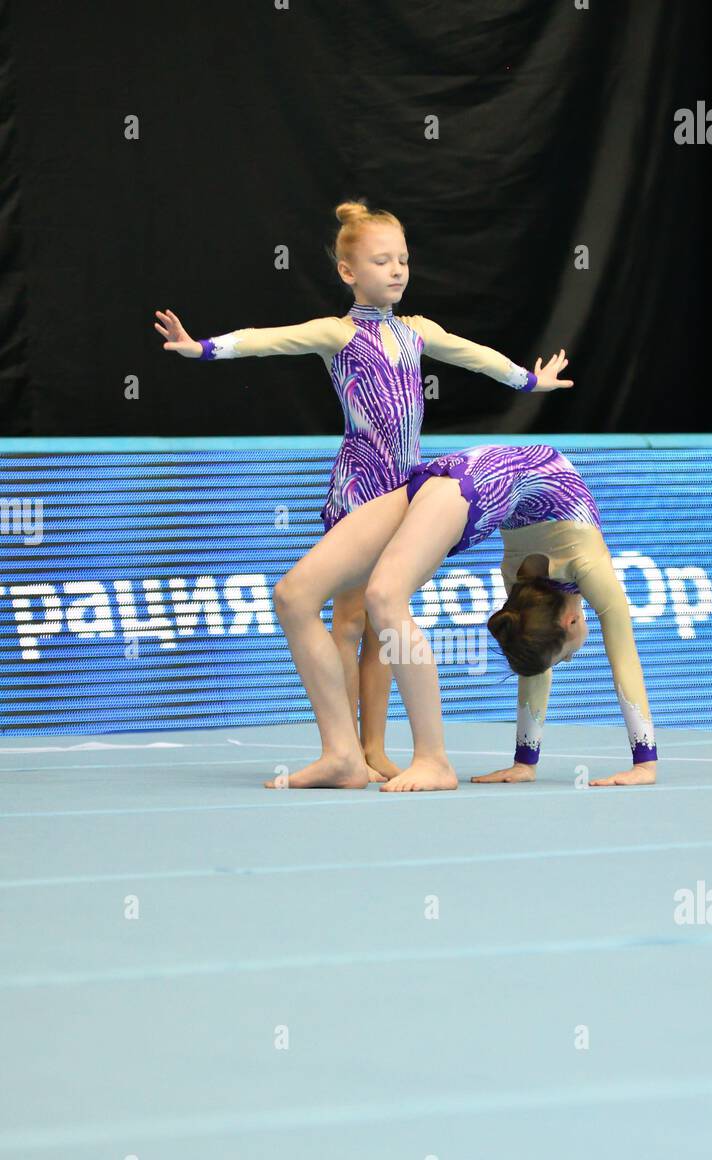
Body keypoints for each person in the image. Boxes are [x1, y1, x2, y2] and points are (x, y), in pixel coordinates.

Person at [154, 199, 572, 780]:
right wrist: (202, 347)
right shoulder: (337, 332)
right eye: (382, 260)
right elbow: (265, 338)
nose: (397, 270)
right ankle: (344, 745)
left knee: (383, 623)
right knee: (349, 621)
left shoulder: (418, 332)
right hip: (362, 485)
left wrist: (528, 379)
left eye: (403, 259)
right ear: (350, 272)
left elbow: (475, 357)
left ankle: (373, 749)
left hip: (410, 487)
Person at [264, 444, 657, 791]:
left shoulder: (521, 582)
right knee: (295, 596)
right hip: (455, 484)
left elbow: (536, 667)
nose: (571, 657)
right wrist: (644, 762)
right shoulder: (589, 564)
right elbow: (624, 655)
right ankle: (361, 756)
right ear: (569, 624)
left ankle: (388, 758)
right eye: (567, 656)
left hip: (456, 485)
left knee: (382, 597)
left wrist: (525, 762)